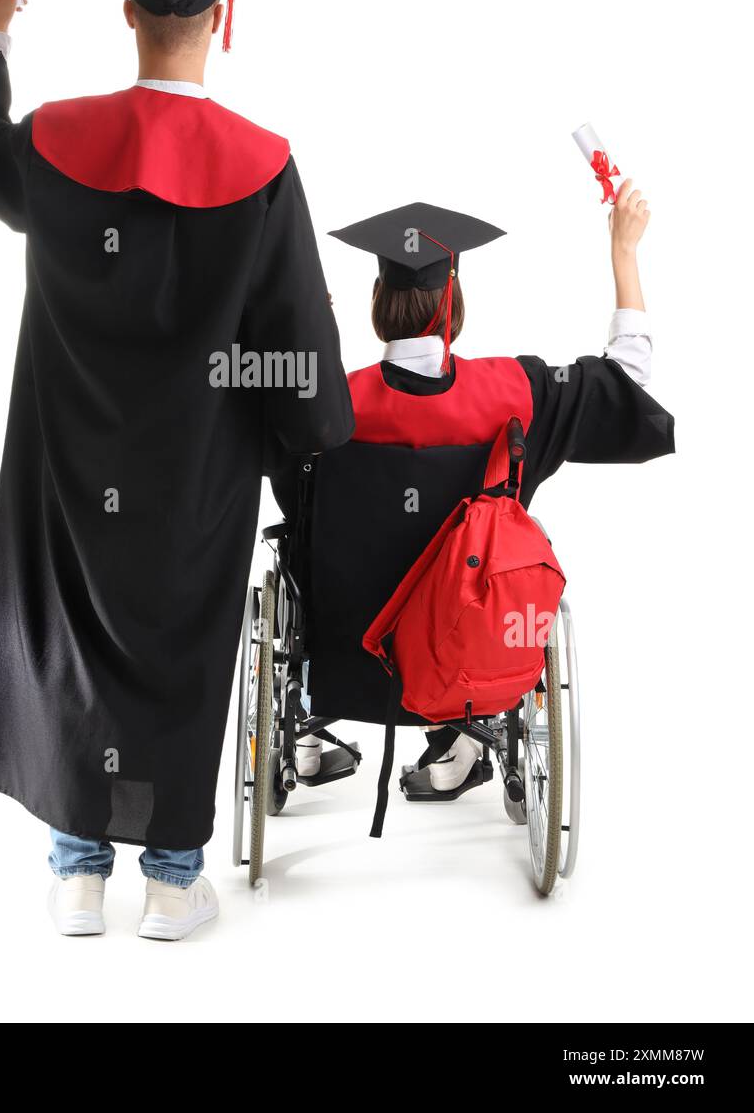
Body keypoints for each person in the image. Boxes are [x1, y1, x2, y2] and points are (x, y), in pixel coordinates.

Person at [0, 0, 354, 940]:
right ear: (223, 13)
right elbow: (291, 346)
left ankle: (73, 869)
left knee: (72, 635)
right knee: (179, 647)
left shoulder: (58, 141)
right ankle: (170, 879)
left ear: (125, 13)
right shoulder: (262, 165)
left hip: (67, 464)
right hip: (196, 472)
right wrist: (313, 425)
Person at [284, 188, 674, 794]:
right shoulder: (516, 393)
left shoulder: (327, 400)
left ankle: (305, 743)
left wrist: (298, 333)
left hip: (345, 655)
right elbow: (627, 376)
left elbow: (267, 464)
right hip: (468, 648)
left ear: (377, 304)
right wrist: (624, 253)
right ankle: (463, 743)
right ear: (453, 301)